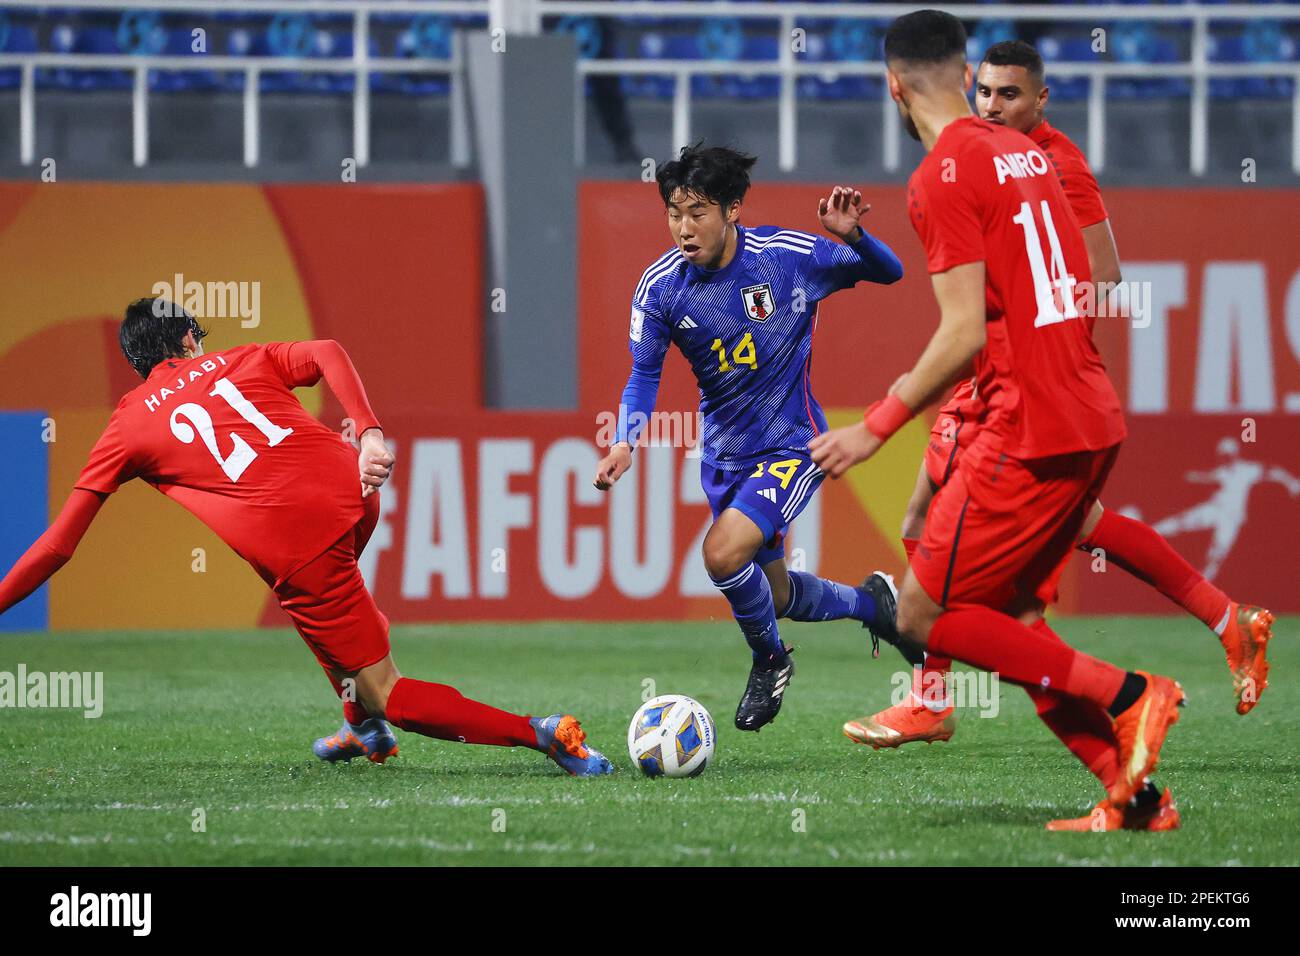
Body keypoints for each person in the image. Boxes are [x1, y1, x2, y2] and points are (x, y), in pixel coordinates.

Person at [809, 11, 1184, 831]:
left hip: (1027, 423)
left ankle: (1130, 693)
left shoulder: (942, 172)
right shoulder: (1027, 149)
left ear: (893, 86)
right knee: (1011, 618)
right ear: (965, 70)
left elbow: (962, 332)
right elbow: (1082, 279)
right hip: (1088, 409)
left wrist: (878, 421)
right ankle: (1136, 797)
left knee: (922, 612)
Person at [847, 39, 1272, 758]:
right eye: (982, 91)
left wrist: (1026, 332)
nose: (991, 105)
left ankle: (937, 697)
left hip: (1025, 384)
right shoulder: (984, 153)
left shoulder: (1051, 160)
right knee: (1059, 530)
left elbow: (1103, 276)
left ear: (1040, 101)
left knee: (958, 539)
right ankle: (1221, 624)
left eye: (1009, 95)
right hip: (1025, 380)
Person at [0, 299, 614, 777]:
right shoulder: (238, 358)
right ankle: (361, 726)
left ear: (141, 361)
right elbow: (325, 350)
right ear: (188, 340)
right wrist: (369, 433)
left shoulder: (127, 423)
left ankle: (539, 732)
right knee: (316, 612)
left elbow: (59, 545)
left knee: (386, 687)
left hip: (302, 542)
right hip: (354, 490)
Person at [593, 143, 905, 732]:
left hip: (792, 442)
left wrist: (854, 238)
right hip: (725, 455)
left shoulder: (786, 258)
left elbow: (890, 272)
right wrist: (625, 441)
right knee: (778, 594)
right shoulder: (661, 289)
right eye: (674, 213)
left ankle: (770, 660)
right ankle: (875, 605)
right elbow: (644, 373)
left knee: (721, 553)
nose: (683, 228)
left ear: (733, 208)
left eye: (698, 212)